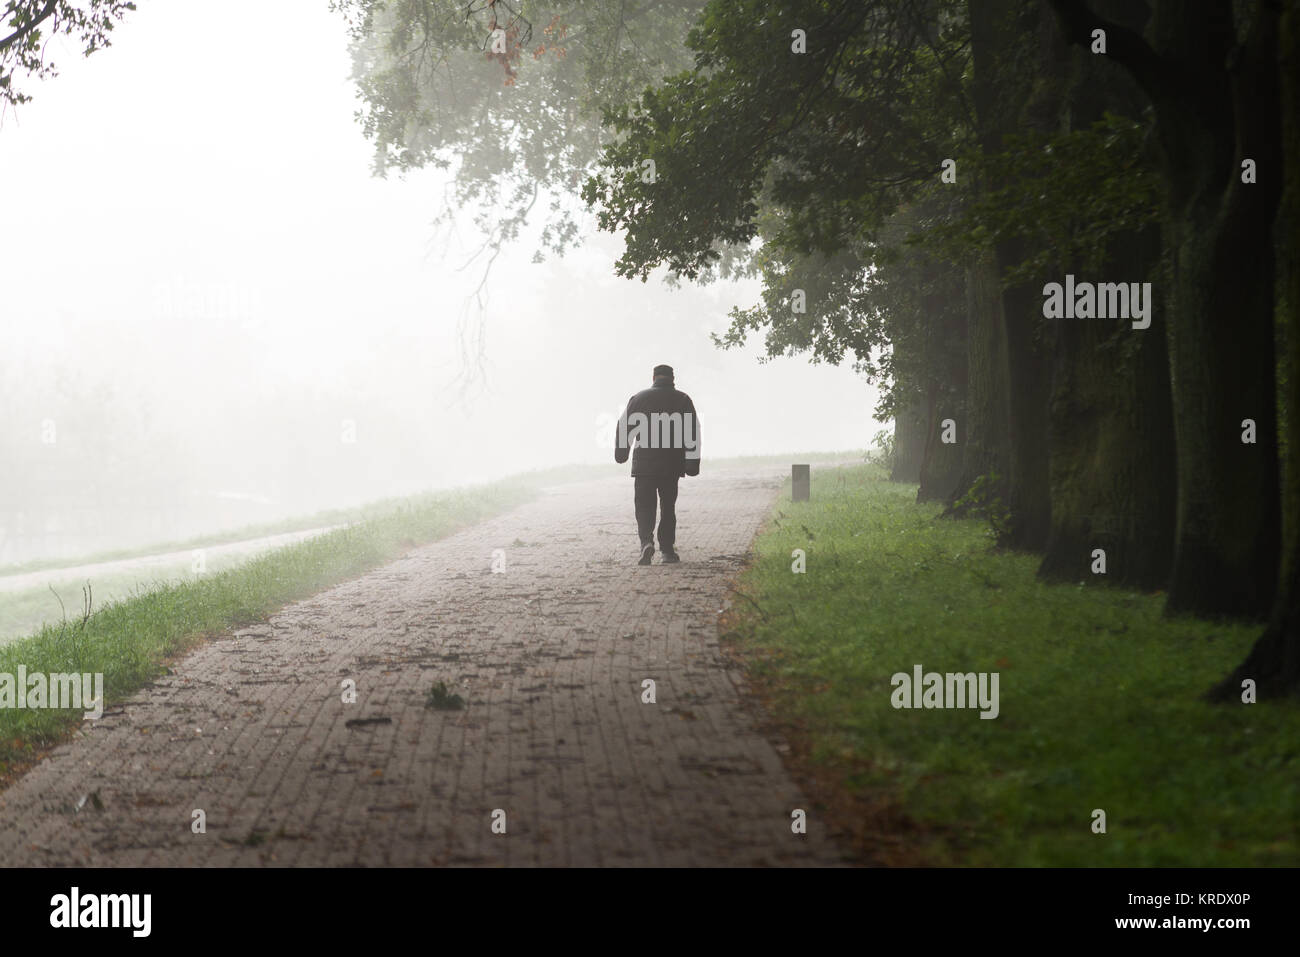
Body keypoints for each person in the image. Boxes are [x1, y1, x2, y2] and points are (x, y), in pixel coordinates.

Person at [614, 364, 701, 565]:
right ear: (672, 379)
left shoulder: (639, 398)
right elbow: (692, 432)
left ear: (653, 377)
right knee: (668, 507)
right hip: (671, 464)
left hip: (644, 465)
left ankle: (646, 542)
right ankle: (668, 551)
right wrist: (692, 463)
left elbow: (624, 427)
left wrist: (621, 453)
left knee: (644, 505)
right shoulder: (683, 400)